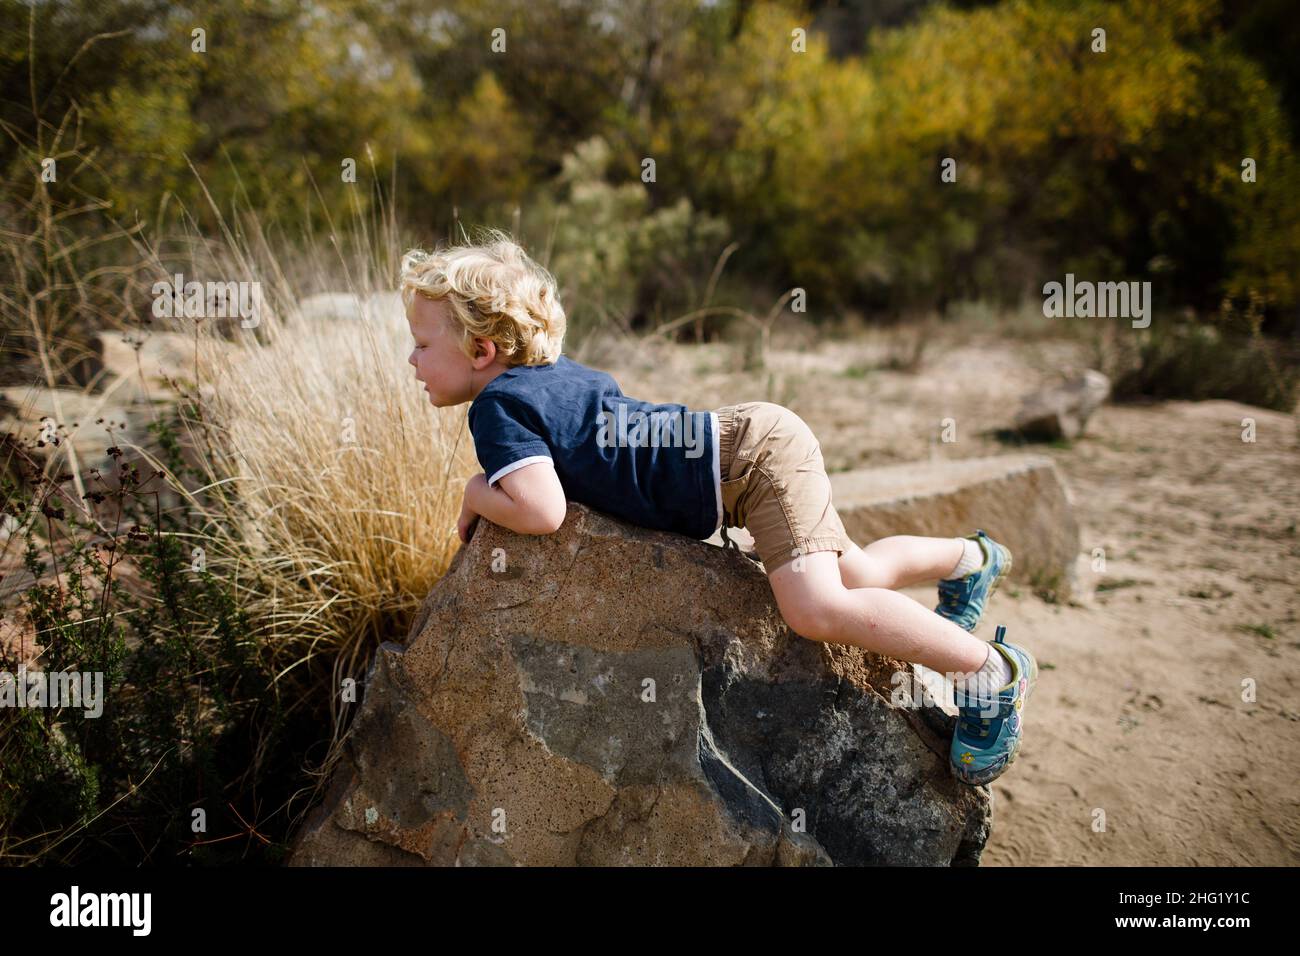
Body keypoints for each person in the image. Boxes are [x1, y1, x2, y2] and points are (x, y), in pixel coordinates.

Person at [399, 228, 1037, 786]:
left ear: (482, 350)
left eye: (423, 344)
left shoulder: (498, 406)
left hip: (746, 466)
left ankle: (994, 671)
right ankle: (969, 559)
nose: (412, 359)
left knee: (815, 607)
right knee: (858, 575)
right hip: (751, 448)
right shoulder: (560, 375)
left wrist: (475, 490)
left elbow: (543, 513)